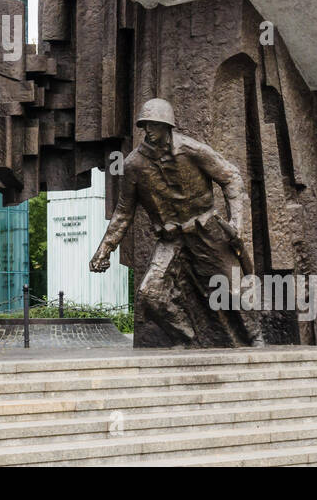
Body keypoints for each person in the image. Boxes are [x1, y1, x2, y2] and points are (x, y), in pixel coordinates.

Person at [90, 98, 264, 347]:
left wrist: (238, 223)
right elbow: (123, 211)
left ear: (167, 126)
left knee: (234, 289)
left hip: (207, 231)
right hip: (171, 240)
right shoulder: (133, 165)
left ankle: (256, 337)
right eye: (145, 125)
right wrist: (104, 250)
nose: (148, 130)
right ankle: (187, 339)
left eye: (154, 125)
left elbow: (231, 178)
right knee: (150, 295)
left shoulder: (192, 150)